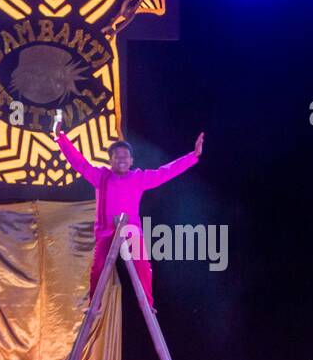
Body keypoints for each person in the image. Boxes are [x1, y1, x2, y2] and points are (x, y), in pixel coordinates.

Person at [52, 110, 203, 308]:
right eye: (117, 157)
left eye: (125, 157)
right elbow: (79, 162)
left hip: (131, 229)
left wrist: (193, 156)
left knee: (143, 266)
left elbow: (165, 172)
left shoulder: (138, 178)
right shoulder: (101, 176)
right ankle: (94, 304)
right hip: (106, 231)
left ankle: (148, 304)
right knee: (98, 268)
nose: (122, 159)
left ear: (131, 161)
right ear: (110, 160)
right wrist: (60, 138)